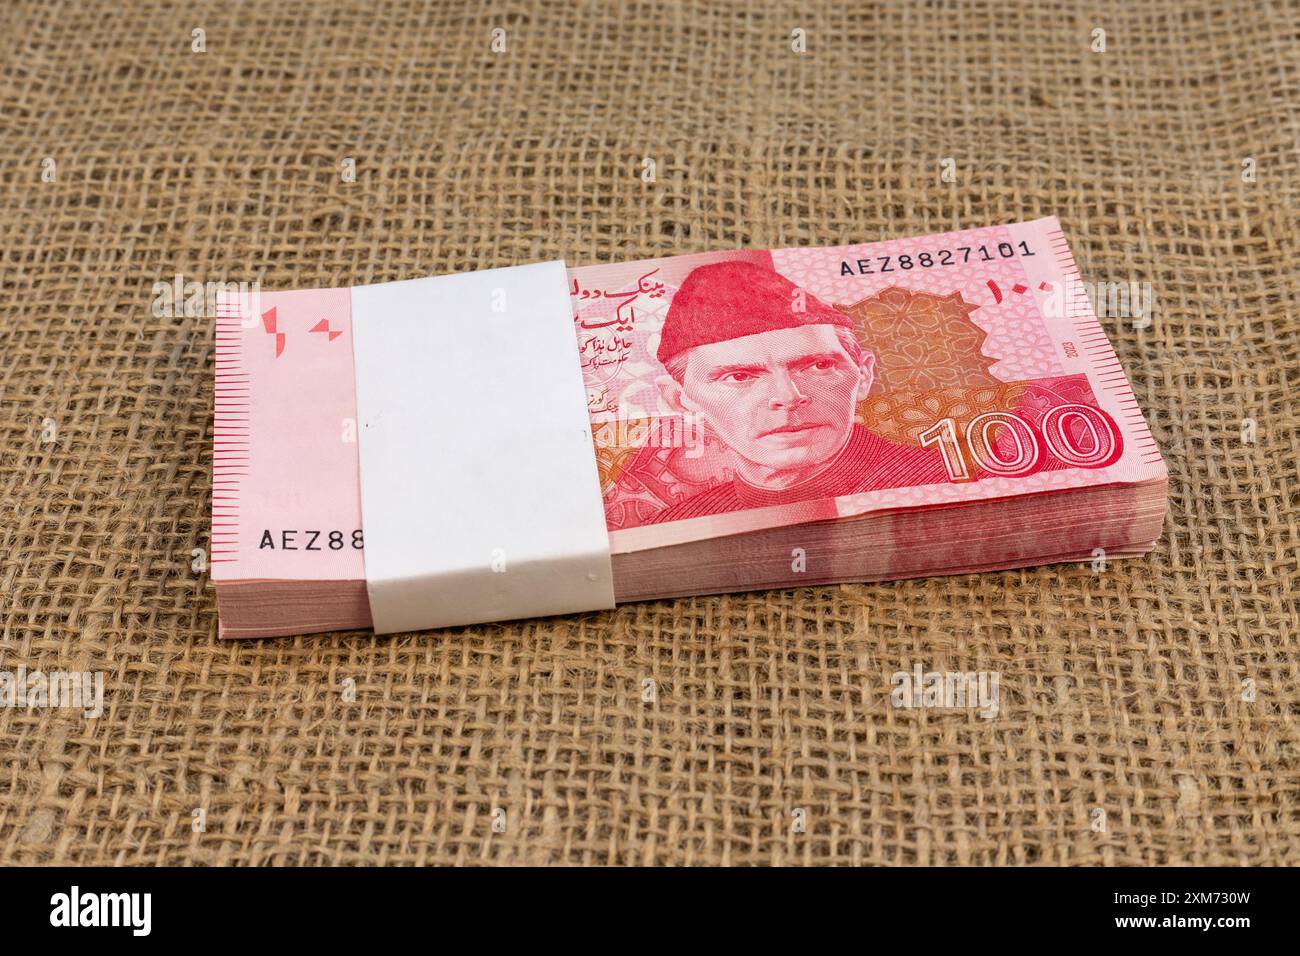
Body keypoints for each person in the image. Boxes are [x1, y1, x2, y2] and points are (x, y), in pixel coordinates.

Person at [653, 261, 950, 521]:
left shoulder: (944, 482)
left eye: (818, 366)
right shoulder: (675, 524)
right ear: (679, 400)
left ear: (864, 374)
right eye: (739, 376)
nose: (787, 397)